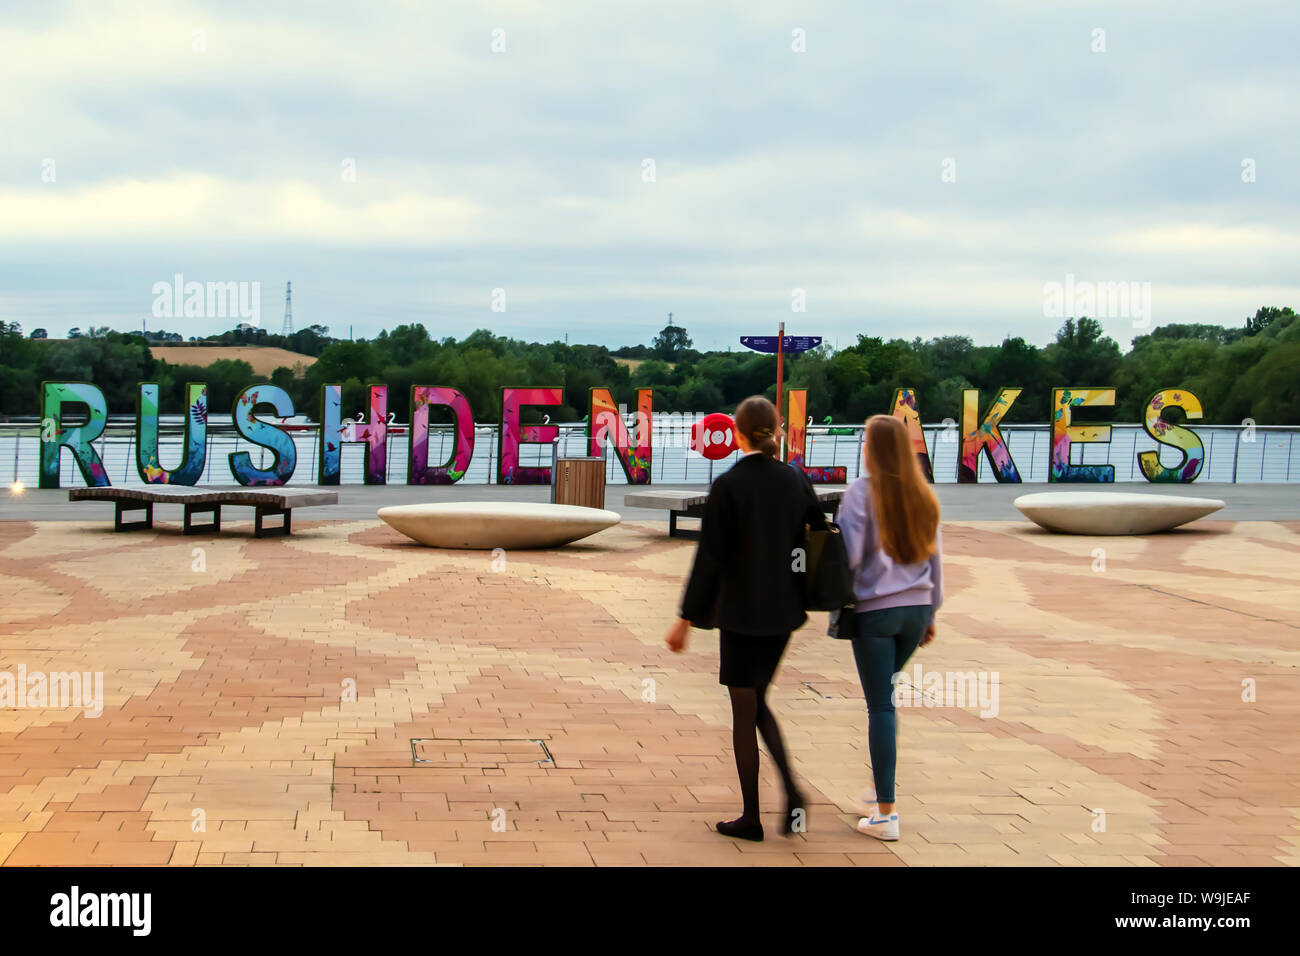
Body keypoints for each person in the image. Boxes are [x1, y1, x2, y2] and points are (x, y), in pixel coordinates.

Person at [665, 396, 828, 842]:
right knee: (758, 700)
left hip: (740, 614)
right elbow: (819, 527)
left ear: (737, 434)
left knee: (745, 710)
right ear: (774, 430)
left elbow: (710, 558)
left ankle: (752, 817)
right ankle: (792, 792)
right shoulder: (795, 480)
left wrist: (686, 619)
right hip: (784, 613)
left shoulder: (729, 484)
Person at [837, 413, 943, 842]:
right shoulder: (924, 494)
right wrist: (932, 611)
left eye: (865, 440)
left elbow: (849, 555)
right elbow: (937, 559)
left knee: (880, 706)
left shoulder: (861, 494)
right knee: (887, 701)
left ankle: (886, 814)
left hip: (876, 611)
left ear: (873, 449)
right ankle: (879, 792)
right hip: (916, 610)